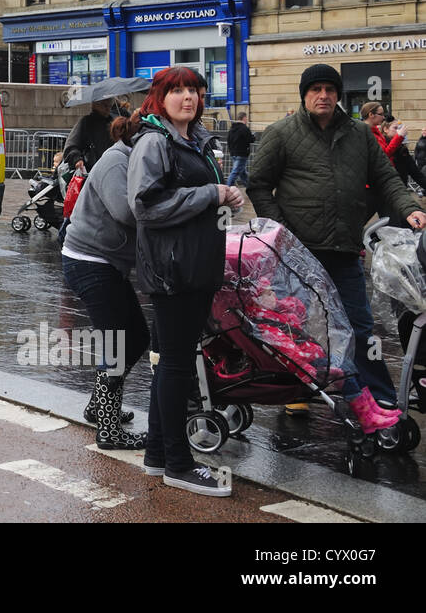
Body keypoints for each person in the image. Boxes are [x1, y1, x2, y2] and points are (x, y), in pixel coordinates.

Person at [248, 64, 426, 425]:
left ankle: (379, 399)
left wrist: (410, 210)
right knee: (297, 328)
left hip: (344, 250)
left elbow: (387, 178)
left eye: (330, 89)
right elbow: (258, 184)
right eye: (315, 89)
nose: (323, 96)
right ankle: (297, 392)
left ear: (338, 95)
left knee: (359, 327)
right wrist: (280, 232)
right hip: (298, 254)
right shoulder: (282, 133)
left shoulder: (359, 134)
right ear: (304, 95)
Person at [127, 66, 240, 496]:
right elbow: (146, 206)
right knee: (175, 364)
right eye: (177, 90)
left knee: (171, 363)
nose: (187, 98)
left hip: (194, 267)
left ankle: (158, 453)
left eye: (193, 90)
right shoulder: (155, 142)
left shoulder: (194, 140)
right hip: (173, 272)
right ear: (160, 97)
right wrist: (210, 194)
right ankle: (179, 462)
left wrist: (224, 194)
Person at [60, 112, 149, 450]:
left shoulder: (132, 160)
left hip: (108, 262)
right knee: (115, 343)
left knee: (138, 336)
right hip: (90, 261)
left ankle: (98, 406)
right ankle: (109, 431)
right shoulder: (116, 161)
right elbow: (125, 212)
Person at [63, 99, 116, 173]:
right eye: (105, 105)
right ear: (95, 105)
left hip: (110, 168)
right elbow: (71, 146)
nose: (108, 109)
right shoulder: (85, 122)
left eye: (110, 106)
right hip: (91, 170)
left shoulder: (114, 123)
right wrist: (77, 160)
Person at [226, 111, 254, 188]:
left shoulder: (232, 128)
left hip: (233, 153)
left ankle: (250, 187)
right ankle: (227, 188)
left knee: (242, 173)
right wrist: (253, 136)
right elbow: (250, 139)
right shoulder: (244, 128)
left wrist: (231, 150)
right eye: (246, 118)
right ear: (244, 118)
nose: (247, 120)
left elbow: (229, 140)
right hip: (242, 153)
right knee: (235, 172)